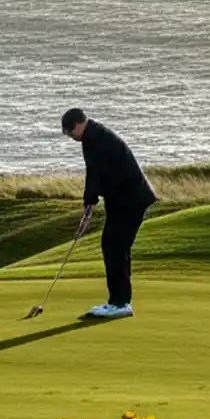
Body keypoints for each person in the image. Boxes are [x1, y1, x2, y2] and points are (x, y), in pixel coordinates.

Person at [61, 108, 158, 319]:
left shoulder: (96, 139)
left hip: (131, 199)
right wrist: (90, 204)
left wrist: (89, 206)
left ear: (79, 124)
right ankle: (118, 301)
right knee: (113, 245)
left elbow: (95, 175)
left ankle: (121, 303)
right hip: (122, 199)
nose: (71, 137)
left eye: (70, 132)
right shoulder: (93, 136)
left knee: (115, 246)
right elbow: (96, 174)